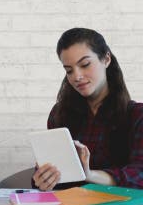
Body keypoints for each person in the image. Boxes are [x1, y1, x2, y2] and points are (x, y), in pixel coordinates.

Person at [33, 28, 143, 190]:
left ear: (106, 59)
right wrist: (43, 177)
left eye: (85, 65)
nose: (76, 76)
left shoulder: (136, 115)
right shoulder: (59, 114)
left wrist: (89, 174)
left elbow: (140, 174)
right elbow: (56, 176)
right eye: (69, 70)